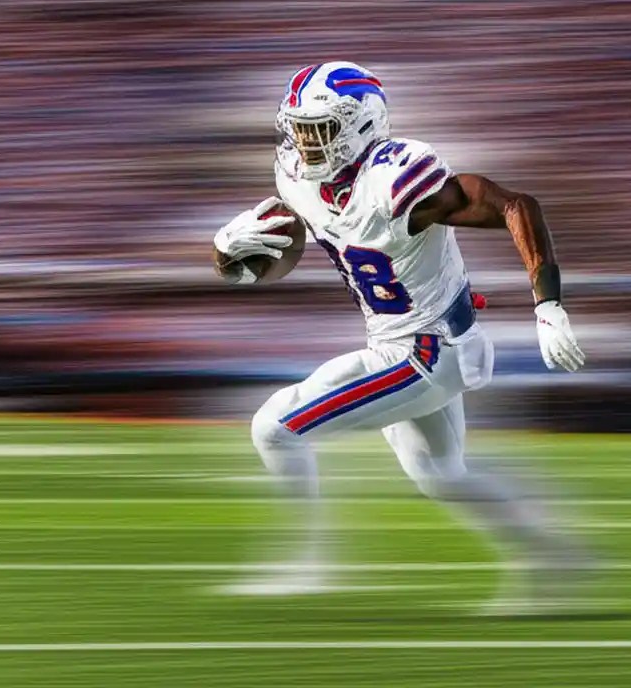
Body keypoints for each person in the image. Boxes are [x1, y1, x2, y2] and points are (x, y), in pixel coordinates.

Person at [212, 61, 588, 609]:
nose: (305, 142)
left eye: (319, 129)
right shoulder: (297, 175)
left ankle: (307, 561)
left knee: (274, 427)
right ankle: (553, 555)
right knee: (441, 475)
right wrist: (227, 254)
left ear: (362, 125)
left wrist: (548, 304)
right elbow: (279, 256)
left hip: (422, 352)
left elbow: (515, 205)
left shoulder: (397, 179)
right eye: (299, 128)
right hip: (411, 344)